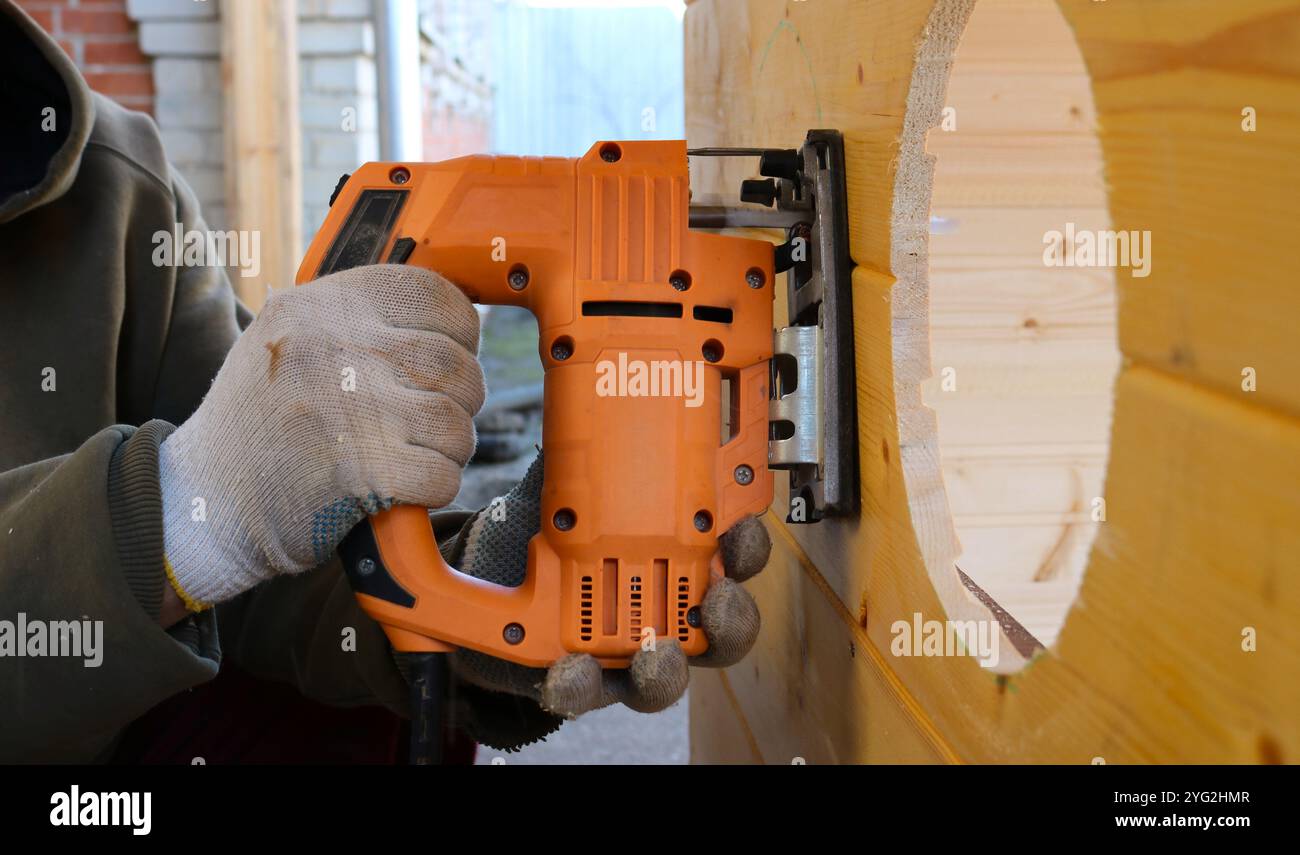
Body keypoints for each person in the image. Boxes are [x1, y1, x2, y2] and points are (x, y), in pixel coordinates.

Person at [0, 0, 769, 763]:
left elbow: (262, 582)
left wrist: (477, 593)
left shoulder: (117, 180)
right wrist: (189, 516)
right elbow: (222, 512)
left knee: (353, 729)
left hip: (116, 745)